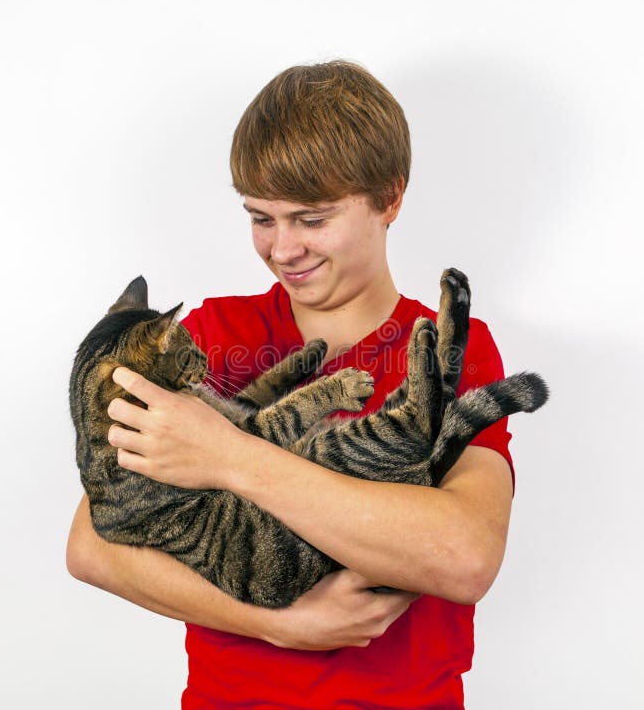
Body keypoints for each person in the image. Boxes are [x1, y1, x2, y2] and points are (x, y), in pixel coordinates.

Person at [66, 59, 515, 709]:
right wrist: (279, 623)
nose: (282, 248)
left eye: (311, 219)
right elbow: (92, 543)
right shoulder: (209, 336)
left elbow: (464, 555)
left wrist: (226, 454)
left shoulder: (453, 346)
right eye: (261, 217)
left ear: (390, 198)